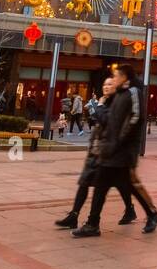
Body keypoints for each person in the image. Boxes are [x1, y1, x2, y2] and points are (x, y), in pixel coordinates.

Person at [56, 75, 132, 232]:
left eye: (110, 84)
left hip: (108, 153)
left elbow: (105, 120)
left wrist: (100, 105)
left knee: (113, 186)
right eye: (104, 84)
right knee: (85, 183)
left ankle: (96, 221)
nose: (106, 86)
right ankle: (74, 216)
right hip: (97, 150)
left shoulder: (115, 103)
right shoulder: (105, 102)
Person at [113, 64, 157, 232]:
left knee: (132, 181)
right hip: (120, 144)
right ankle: (136, 211)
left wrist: (121, 138)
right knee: (124, 181)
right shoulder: (123, 92)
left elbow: (135, 117)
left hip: (128, 145)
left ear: (125, 76)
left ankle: (151, 212)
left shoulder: (133, 92)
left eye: (117, 75)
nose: (114, 79)